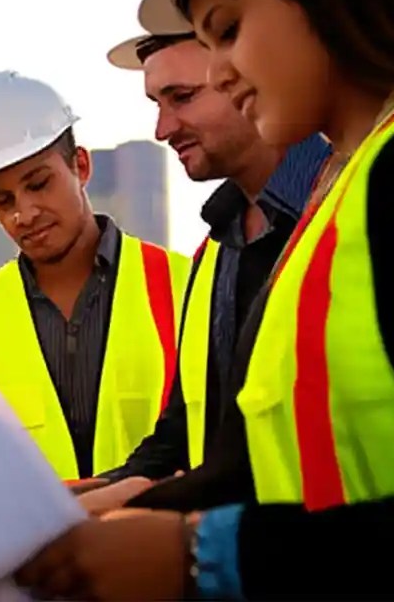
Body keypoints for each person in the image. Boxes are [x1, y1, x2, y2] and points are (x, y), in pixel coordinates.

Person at [16, 0, 394, 598]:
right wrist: (101, 534)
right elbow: (259, 467)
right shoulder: (338, 201)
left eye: (228, 29)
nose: (219, 71)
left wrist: (201, 556)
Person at [85, 33, 328, 513]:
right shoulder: (215, 253)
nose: (162, 128)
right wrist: (70, 508)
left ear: (251, 78)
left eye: (182, 97)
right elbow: (184, 440)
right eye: (157, 104)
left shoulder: (349, 209)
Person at [0, 70, 191, 484]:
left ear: (81, 166)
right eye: (1, 201)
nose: (24, 213)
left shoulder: (186, 285)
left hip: (165, 525)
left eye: (39, 184)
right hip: (31, 531)